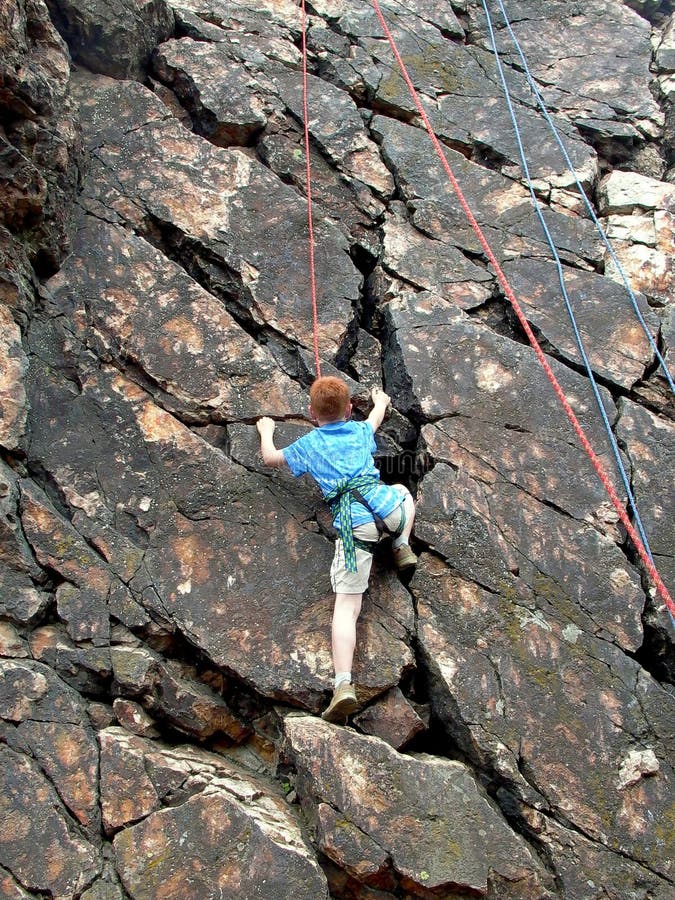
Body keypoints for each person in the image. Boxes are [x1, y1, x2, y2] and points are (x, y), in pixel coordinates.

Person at [256, 375, 416, 723]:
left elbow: (271, 458)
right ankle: (402, 545)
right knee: (404, 490)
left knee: (347, 607)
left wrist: (266, 430)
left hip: (354, 524)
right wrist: (380, 400)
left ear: (312, 413)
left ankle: (343, 684)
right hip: (387, 508)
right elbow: (375, 418)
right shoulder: (359, 430)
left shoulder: (310, 444)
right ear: (348, 409)